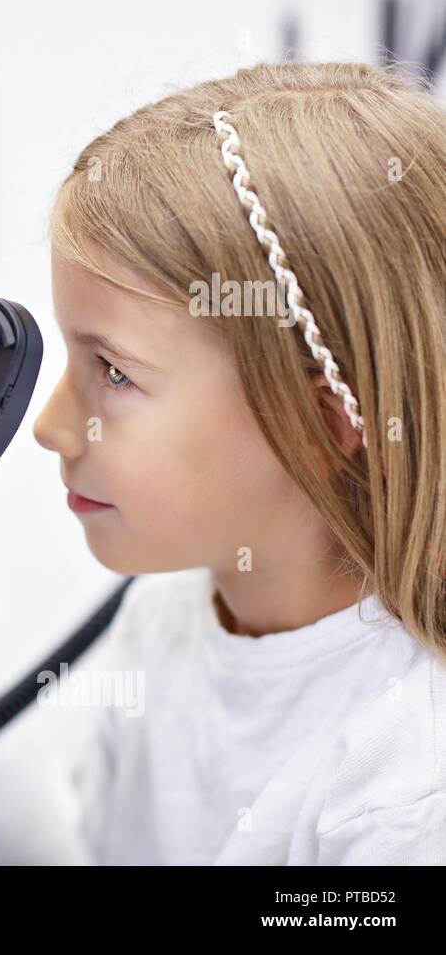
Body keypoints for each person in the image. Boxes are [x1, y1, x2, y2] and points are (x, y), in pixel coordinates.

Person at [34, 60, 446, 863]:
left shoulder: (407, 791)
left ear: (319, 426)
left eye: (113, 372)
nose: (51, 426)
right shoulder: (164, 626)